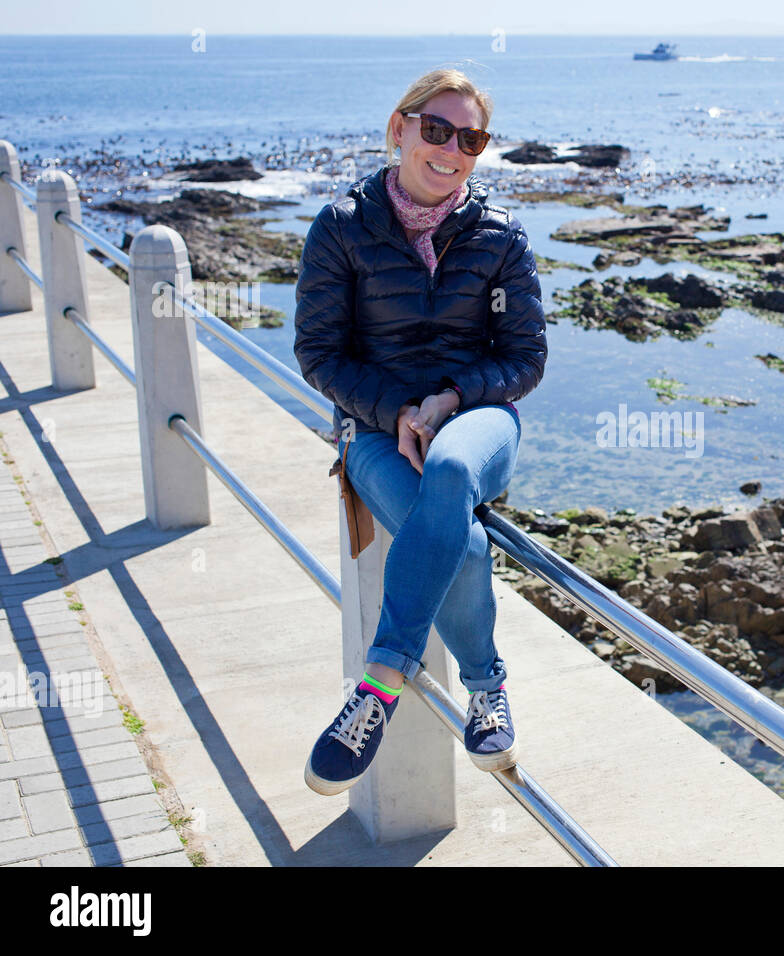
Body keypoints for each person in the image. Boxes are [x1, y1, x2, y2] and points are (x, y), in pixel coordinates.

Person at [293, 67, 547, 795]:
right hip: (373, 430)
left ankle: (377, 686)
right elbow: (320, 353)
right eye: (436, 128)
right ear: (399, 127)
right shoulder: (342, 227)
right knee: (460, 540)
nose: (451, 149)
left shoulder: (499, 235)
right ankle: (487, 689)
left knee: (451, 473)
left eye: (470, 137)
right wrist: (398, 413)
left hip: (478, 421)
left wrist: (448, 401)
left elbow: (525, 356)